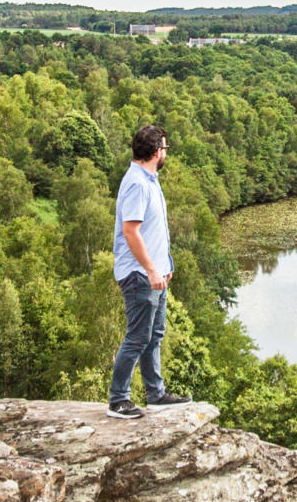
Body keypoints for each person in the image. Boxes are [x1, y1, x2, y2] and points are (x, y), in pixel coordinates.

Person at [107, 123, 193, 418]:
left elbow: (154, 231)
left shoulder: (149, 180)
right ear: (158, 151)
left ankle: (155, 394)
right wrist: (150, 270)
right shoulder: (137, 183)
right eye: (165, 148)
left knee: (154, 334)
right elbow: (131, 231)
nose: (166, 153)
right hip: (139, 276)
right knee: (137, 337)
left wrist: (164, 267)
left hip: (154, 275)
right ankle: (118, 400)